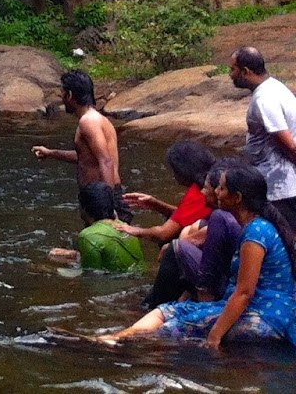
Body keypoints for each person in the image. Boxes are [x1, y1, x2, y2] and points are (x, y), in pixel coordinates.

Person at [101, 163, 296, 349]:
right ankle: (117, 337)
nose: (216, 193)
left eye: (221, 188)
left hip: (265, 314)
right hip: (260, 308)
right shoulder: (255, 226)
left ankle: (123, 345)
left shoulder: (256, 232)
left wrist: (214, 337)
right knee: (167, 310)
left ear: (237, 197)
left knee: (171, 327)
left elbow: (245, 293)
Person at [134, 156, 246, 309]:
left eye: (208, 188)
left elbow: (209, 267)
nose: (202, 192)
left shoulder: (222, 217)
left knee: (176, 248)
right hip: (232, 280)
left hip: (228, 288)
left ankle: (153, 305)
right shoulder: (238, 213)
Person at [31, 70, 127, 218]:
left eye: (62, 93)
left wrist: (107, 205)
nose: (62, 98)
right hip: (100, 196)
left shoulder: (88, 122)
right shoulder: (96, 119)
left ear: (69, 95)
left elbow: (106, 161)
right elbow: (87, 157)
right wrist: (51, 153)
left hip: (101, 198)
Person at [230, 46, 296, 225]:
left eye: (232, 69)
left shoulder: (264, 99)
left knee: (287, 240)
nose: (230, 75)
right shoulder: (274, 87)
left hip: (281, 187)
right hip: (281, 183)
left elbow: (289, 145)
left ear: (245, 71)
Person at [121, 140, 216, 245]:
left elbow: (164, 234)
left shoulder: (200, 193)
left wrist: (135, 230)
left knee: (171, 242)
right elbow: (185, 216)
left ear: (182, 170)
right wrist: (156, 204)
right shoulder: (209, 181)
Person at [49, 182, 144, 272]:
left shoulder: (88, 236)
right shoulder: (127, 228)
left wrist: (47, 269)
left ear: (84, 209)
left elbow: (91, 275)